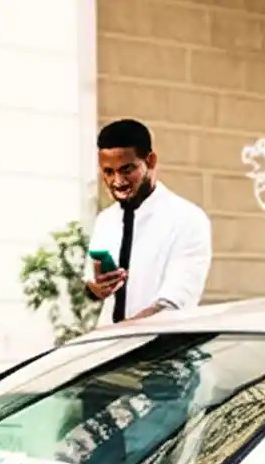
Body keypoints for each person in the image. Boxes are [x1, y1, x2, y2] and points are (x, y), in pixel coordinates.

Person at [86, 118, 212, 325]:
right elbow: (91, 286)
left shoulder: (187, 219)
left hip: (161, 353)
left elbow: (174, 303)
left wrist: (122, 333)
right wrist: (95, 289)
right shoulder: (105, 220)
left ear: (151, 161)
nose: (117, 181)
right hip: (110, 350)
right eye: (109, 172)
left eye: (127, 170)